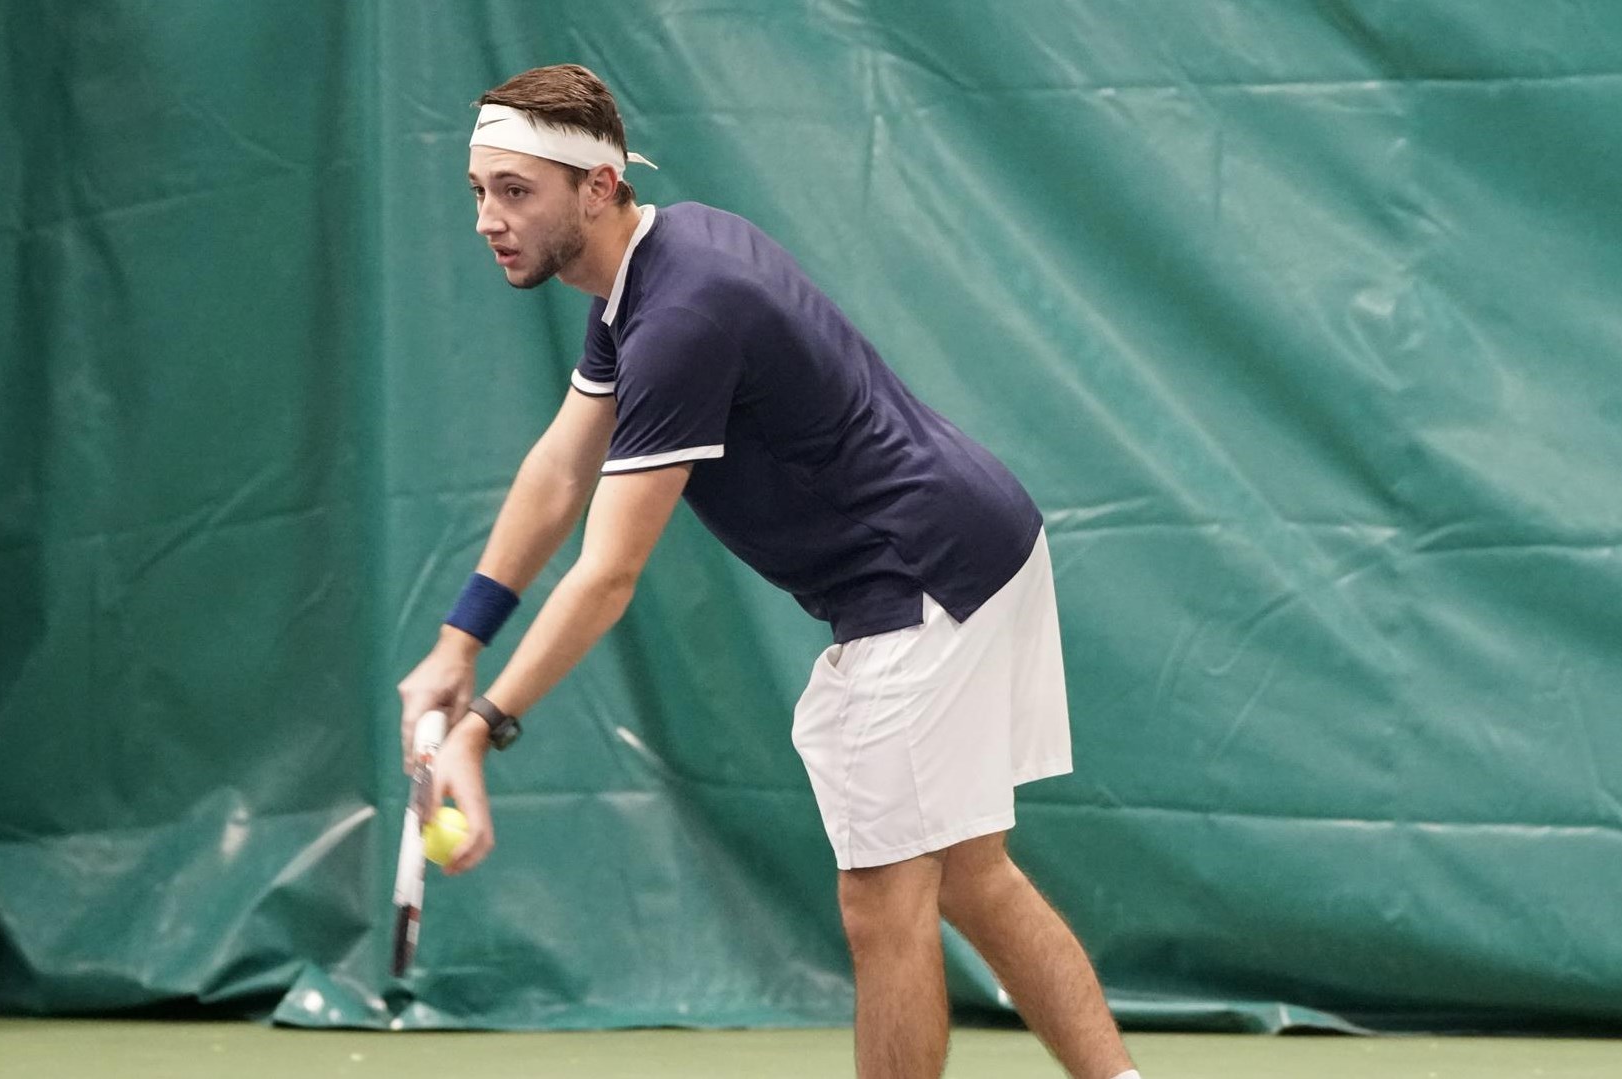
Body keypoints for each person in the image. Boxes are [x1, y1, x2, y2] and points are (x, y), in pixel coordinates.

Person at [398, 62, 1141, 1079]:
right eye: (479, 191)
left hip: (919, 577)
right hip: (972, 540)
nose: (489, 217)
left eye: (516, 191)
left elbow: (608, 574)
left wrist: (484, 729)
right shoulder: (648, 271)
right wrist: (458, 639)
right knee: (970, 871)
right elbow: (561, 466)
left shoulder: (682, 314)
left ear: (598, 188)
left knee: (881, 899)